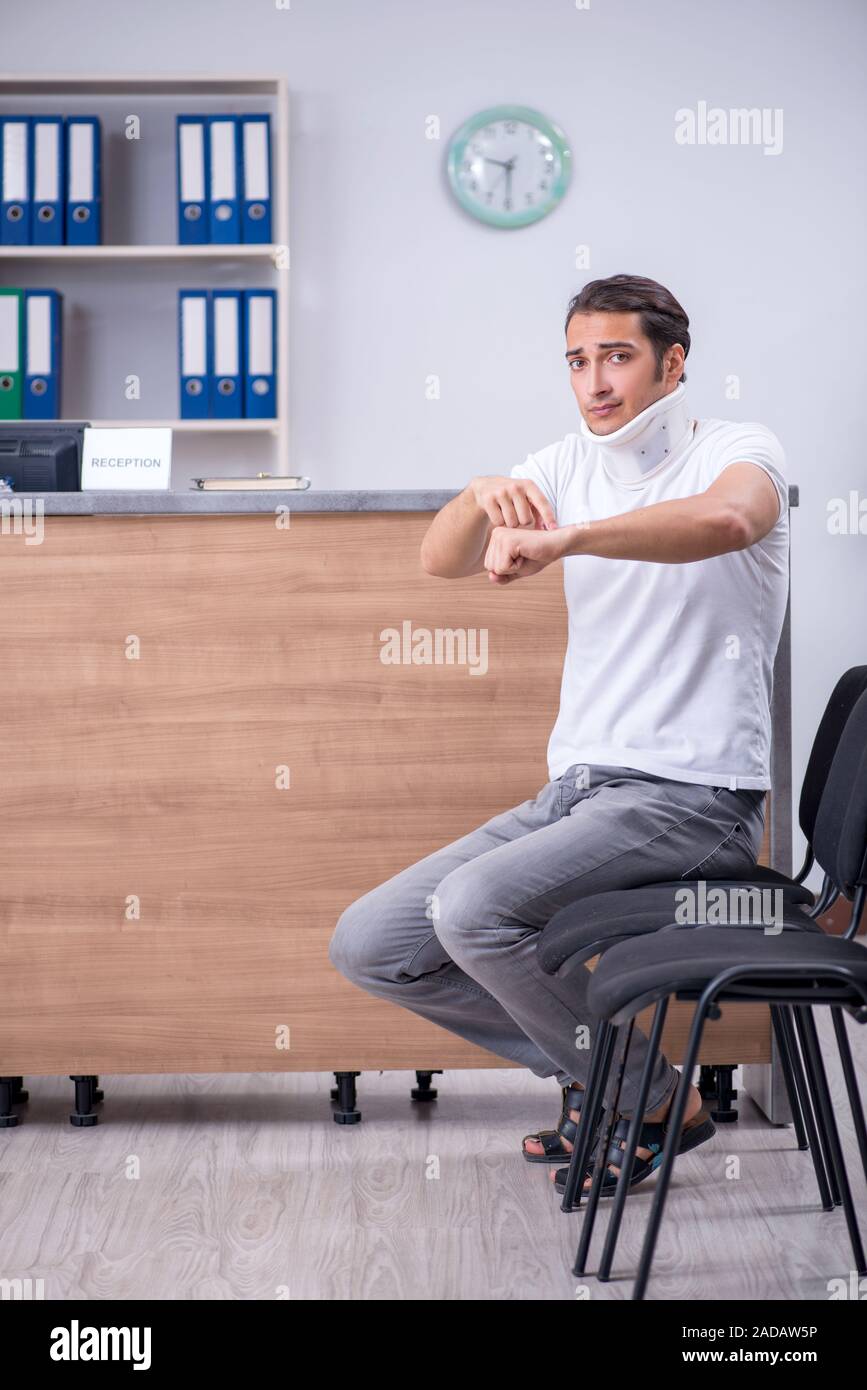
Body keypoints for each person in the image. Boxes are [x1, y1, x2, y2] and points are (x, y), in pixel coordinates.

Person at [328, 272, 789, 1196]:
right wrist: (479, 496)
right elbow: (440, 559)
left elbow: (732, 518)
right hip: (579, 792)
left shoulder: (738, 448)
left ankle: (640, 1094)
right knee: (371, 942)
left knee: (472, 911)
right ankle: (616, 1078)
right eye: (577, 361)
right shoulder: (564, 460)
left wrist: (567, 539)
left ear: (672, 363)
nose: (594, 381)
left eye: (616, 355)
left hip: (695, 799)